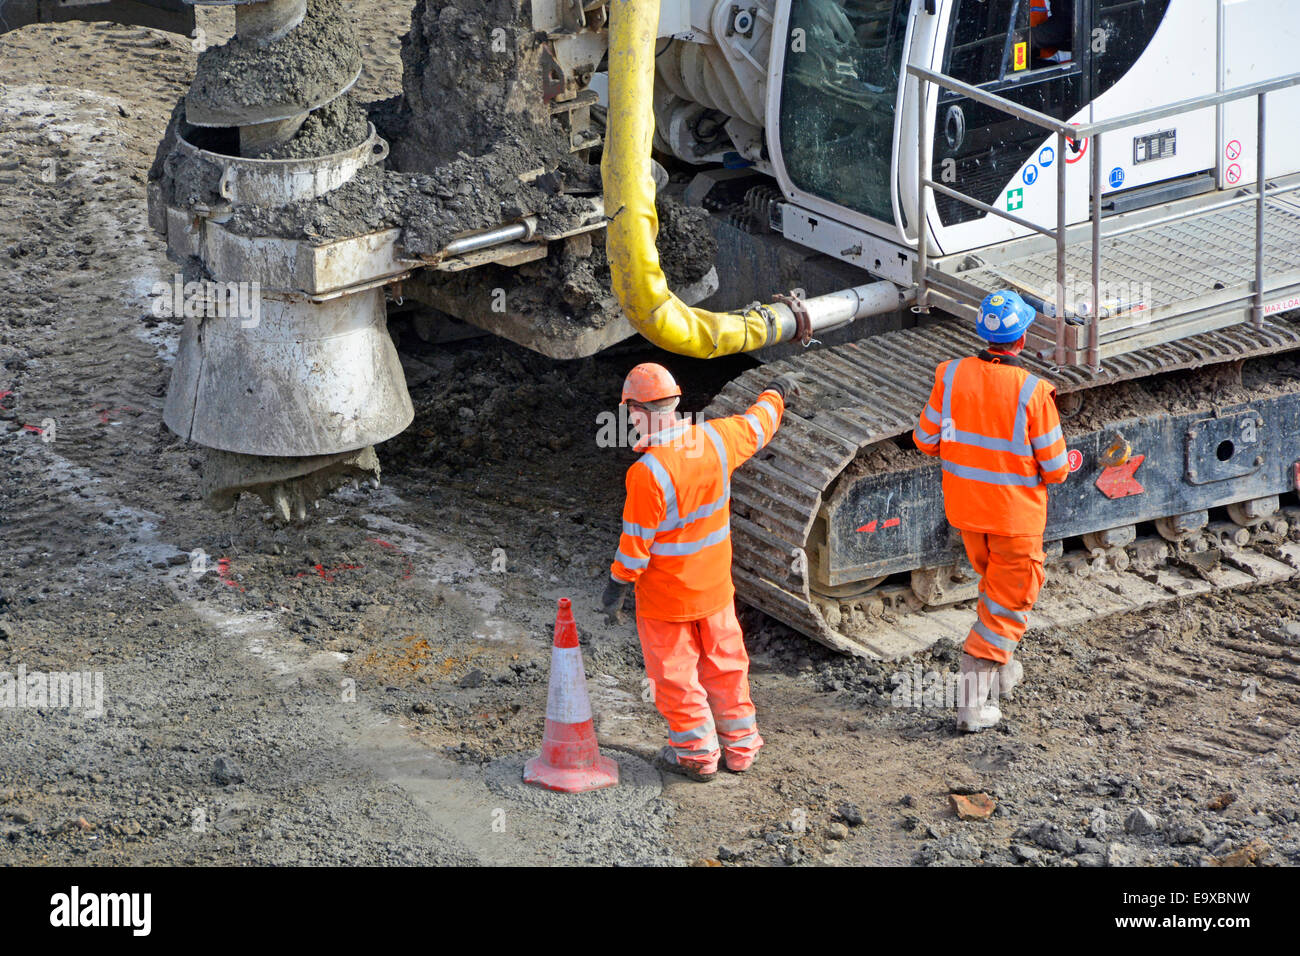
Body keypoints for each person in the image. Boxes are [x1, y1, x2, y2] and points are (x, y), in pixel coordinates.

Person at [603, 362, 796, 781]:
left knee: (675, 676)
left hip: (665, 600)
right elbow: (760, 424)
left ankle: (696, 755)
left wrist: (618, 584)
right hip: (715, 591)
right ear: (675, 400)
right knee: (726, 665)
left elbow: (635, 547)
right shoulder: (716, 438)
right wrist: (776, 392)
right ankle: (741, 748)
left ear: (635, 411)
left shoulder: (648, 473)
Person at [912, 290, 1069, 732]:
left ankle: (1001, 678)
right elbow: (1055, 470)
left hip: (968, 516)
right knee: (1003, 610)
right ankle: (969, 709)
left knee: (994, 593)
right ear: (1022, 340)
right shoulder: (1033, 392)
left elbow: (925, 440)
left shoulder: (952, 374)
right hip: (1014, 522)